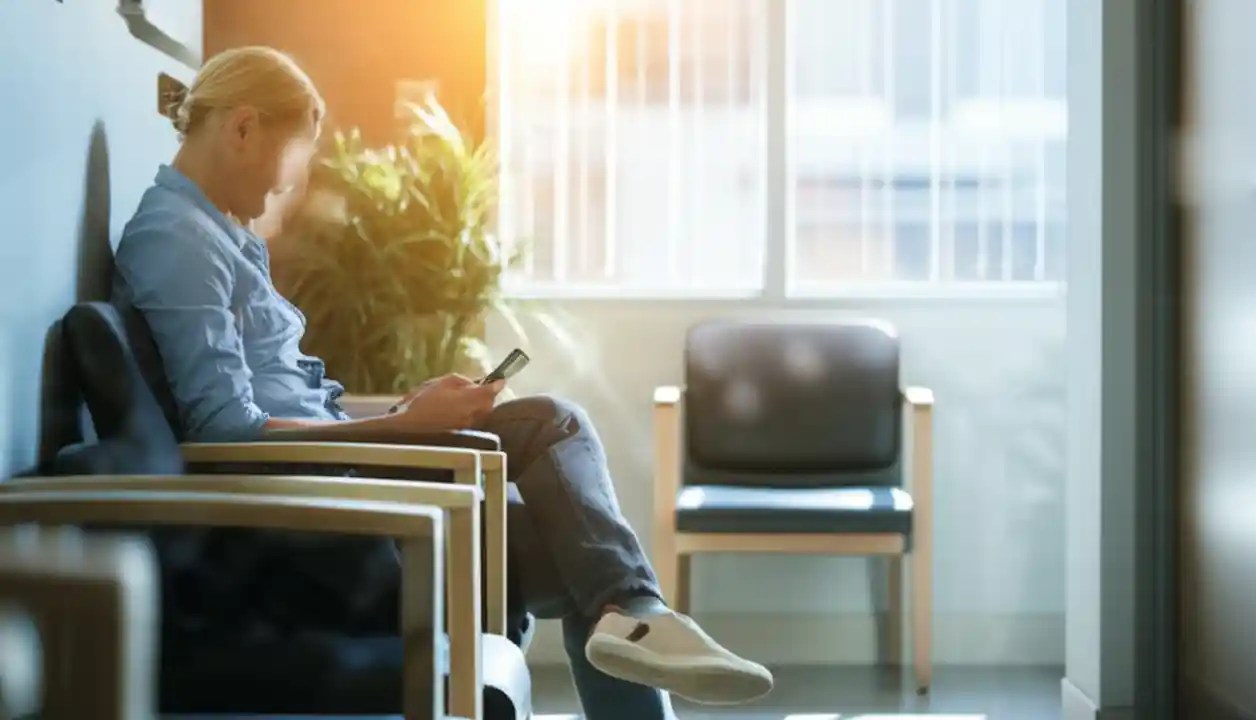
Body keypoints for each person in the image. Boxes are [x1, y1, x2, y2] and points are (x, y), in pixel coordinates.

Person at [111, 46, 772, 718]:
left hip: (340, 473)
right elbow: (226, 432)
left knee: (559, 460)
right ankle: (637, 609)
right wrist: (406, 426)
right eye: (295, 157)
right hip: (312, 510)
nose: (290, 185)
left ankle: (633, 610)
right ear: (243, 127)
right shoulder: (178, 240)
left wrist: (406, 411)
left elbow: (276, 404)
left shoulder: (219, 233)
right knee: (568, 494)